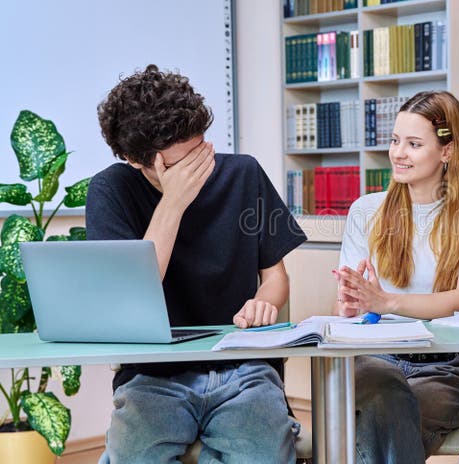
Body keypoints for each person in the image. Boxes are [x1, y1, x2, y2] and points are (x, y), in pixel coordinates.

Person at [87, 65, 307, 463]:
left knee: (264, 452)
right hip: (153, 376)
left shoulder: (244, 173)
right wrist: (173, 200)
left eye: (201, 148)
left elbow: (276, 278)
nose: (199, 167)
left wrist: (265, 302)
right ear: (137, 161)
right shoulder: (110, 190)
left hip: (243, 369)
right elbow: (133, 295)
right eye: (182, 162)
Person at [334, 90, 459, 463]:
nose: (397, 153)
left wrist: (387, 301)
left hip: (441, 366)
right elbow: (349, 307)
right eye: (394, 141)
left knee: (384, 416)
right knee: (386, 400)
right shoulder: (366, 211)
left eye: (413, 144)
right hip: (373, 357)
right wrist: (351, 305)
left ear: (447, 151)